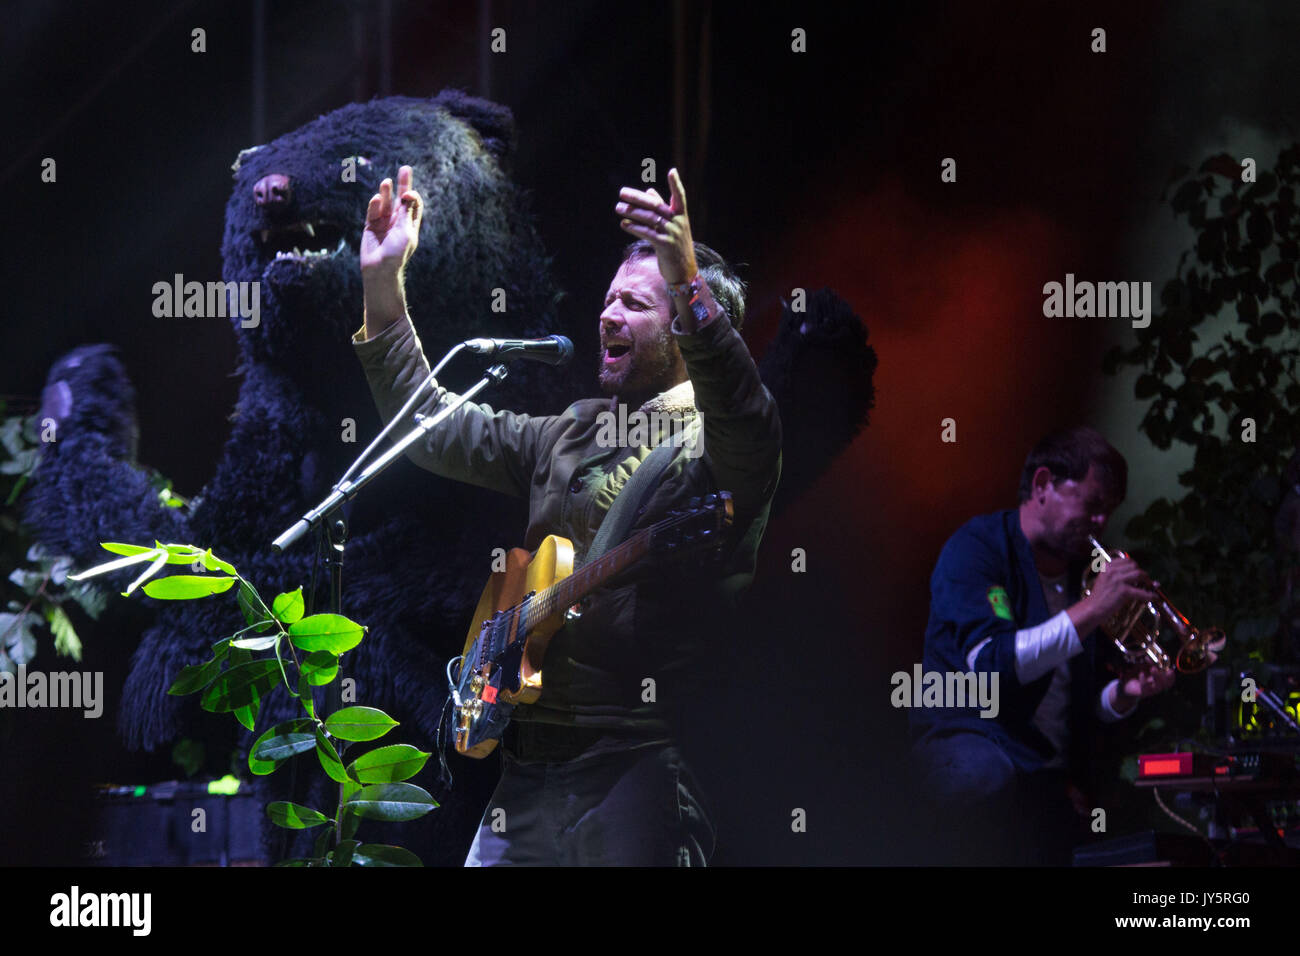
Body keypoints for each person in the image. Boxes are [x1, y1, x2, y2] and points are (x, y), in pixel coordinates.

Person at [351, 164, 781, 865]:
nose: (608, 313)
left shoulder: (721, 446)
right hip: (521, 777)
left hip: (631, 776)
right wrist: (382, 282)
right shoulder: (571, 429)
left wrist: (687, 278)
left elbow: (744, 409)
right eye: (608, 298)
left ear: (690, 329)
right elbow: (429, 427)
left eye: (638, 305)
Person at [911, 426, 1176, 865]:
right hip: (969, 745)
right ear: (1042, 486)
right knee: (988, 777)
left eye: (1109, 511)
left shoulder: (1082, 575)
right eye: (1092, 505)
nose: (1101, 523)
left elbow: (1083, 705)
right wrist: (1094, 608)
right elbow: (993, 664)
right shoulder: (977, 549)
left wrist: (1126, 694)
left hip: (1043, 769)